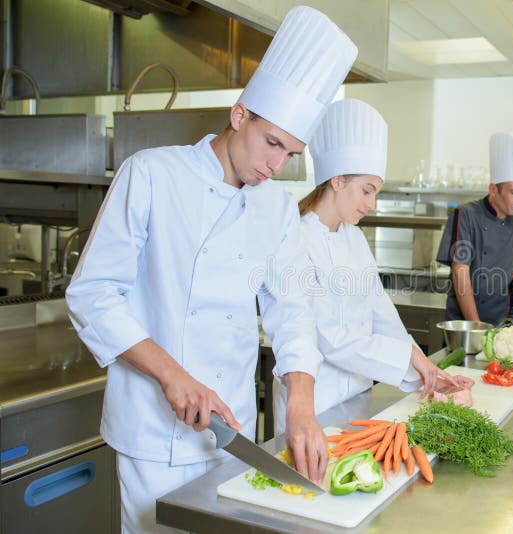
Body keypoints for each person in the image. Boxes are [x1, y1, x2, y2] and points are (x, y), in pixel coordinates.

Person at [65, 7, 357, 533]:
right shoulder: (152, 174)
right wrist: (172, 375)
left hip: (229, 429)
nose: (275, 166)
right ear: (240, 114)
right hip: (151, 435)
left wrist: (301, 405)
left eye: (291, 154)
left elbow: (292, 309)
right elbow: (93, 294)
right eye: (272, 143)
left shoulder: (275, 207)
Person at [273, 99, 454, 434]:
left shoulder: (353, 238)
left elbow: (380, 311)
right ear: (337, 180)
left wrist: (426, 369)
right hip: (315, 406)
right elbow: (330, 338)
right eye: (366, 191)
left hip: (358, 398)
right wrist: (410, 362)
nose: (371, 204)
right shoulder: (295, 238)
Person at [436, 132, 513, 326]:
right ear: (493, 189)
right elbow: (460, 271)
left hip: (506, 326)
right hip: (465, 328)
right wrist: (477, 326)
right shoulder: (465, 216)